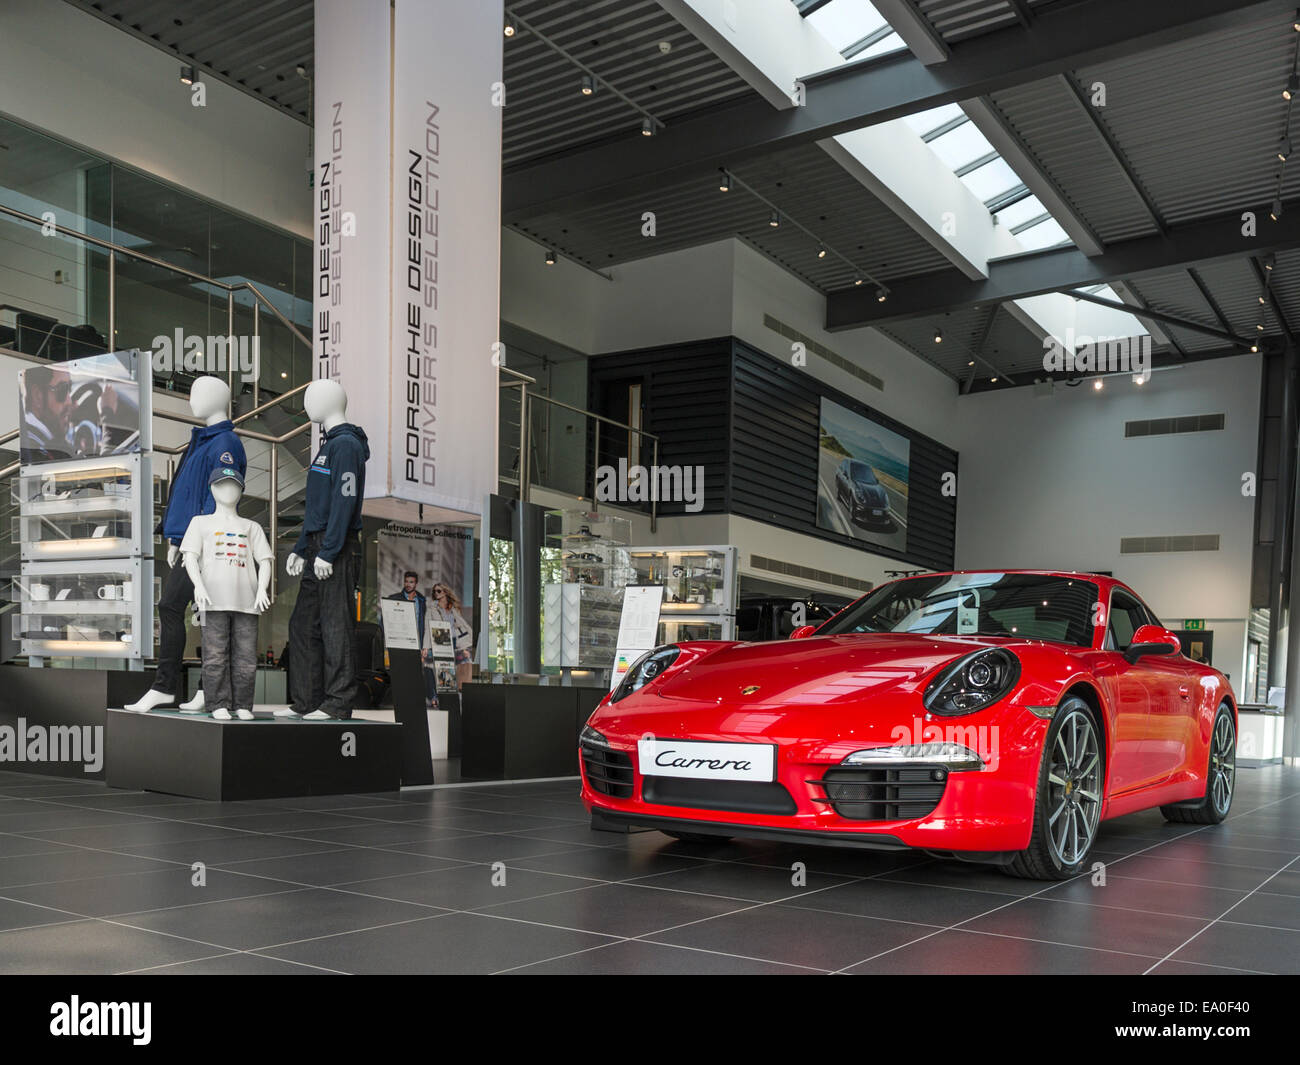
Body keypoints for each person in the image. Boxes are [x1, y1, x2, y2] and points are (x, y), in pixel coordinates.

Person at [180, 467, 273, 721]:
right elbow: (190, 557)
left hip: (247, 601)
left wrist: (262, 589)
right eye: (222, 485)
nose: (228, 490)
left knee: (245, 656)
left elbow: (265, 560)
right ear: (212, 488)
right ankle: (217, 703)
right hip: (212, 600)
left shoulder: (251, 526)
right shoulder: (200, 523)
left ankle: (243, 704)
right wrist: (198, 586)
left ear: (242, 490)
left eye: (233, 485)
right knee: (214, 654)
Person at [385, 571, 433, 705]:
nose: (408, 584)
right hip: (400, 641)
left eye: (411, 582)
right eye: (406, 581)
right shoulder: (394, 598)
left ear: (416, 584)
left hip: (416, 642)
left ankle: (414, 700)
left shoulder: (422, 600)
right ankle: (399, 700)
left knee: (416, 672)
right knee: (400, 671)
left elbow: (424, 623)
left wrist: (425, 645)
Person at [21, 365, 73, 463]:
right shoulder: (33, 448)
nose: (69, 401)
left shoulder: (47, 443)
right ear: (37, 395)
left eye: (70, 388)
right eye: (63, 390)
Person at [431, 582, 474, 687]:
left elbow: (462, 623)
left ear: (445, 592)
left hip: (458, 641)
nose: (436, 593)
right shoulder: (434, 608)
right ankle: (446, 696)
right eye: (434, 591)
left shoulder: (453, 608)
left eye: (439, 591)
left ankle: (462, 696)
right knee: (445, 674)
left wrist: (470, 635)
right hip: (443, 641)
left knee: (464, 670)